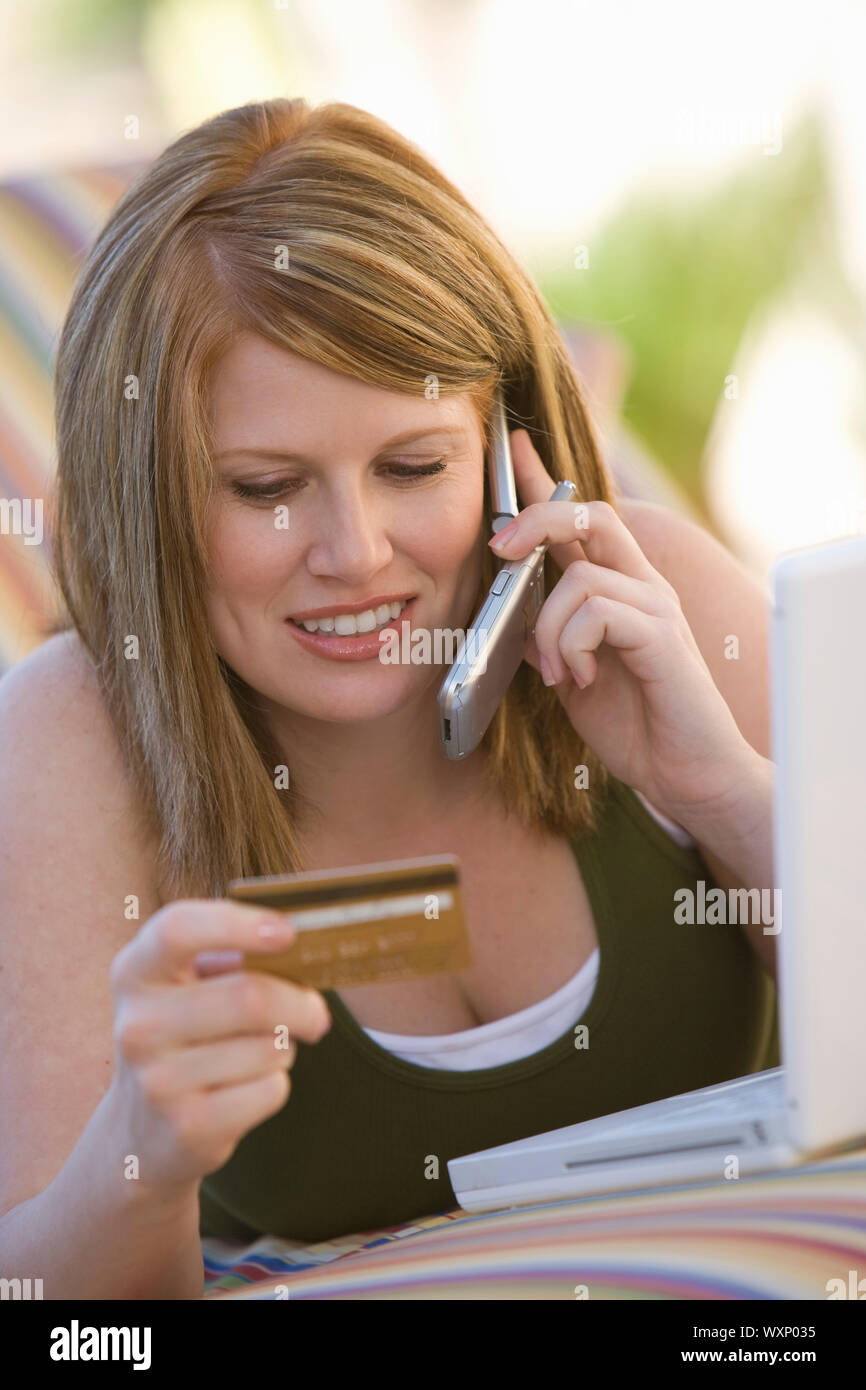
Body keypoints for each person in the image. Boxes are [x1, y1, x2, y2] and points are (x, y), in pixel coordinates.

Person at [0, 97, 776, 1299]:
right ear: (147, 501)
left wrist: (717, 789)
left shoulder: (654, 594)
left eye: (413, 466)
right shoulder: (71, 742)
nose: (354, 551)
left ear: (507, 443)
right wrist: (139, 1165)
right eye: (265, 486)